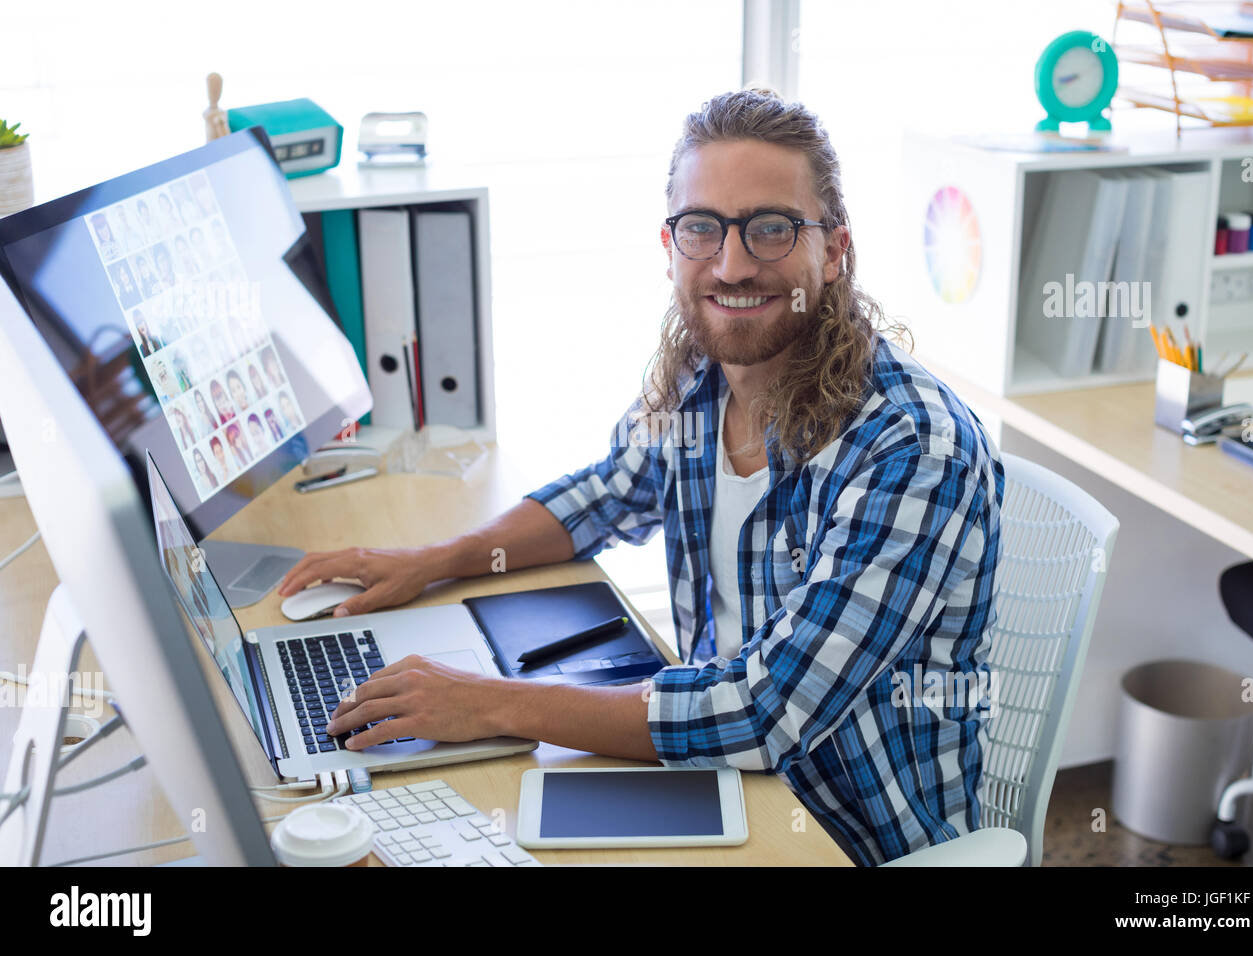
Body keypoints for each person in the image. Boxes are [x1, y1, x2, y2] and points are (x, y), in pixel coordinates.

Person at [277, 90, 1005, 867]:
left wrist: (487, 703)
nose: (732, 264)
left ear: (834, 250)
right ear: (670, 245)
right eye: (703, 228)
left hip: (842, 834)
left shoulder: (914, 451)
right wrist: (431, 561)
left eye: (771, 228)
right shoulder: (707, 369)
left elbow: (765, 712)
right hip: (718, 780)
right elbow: (606, 494)